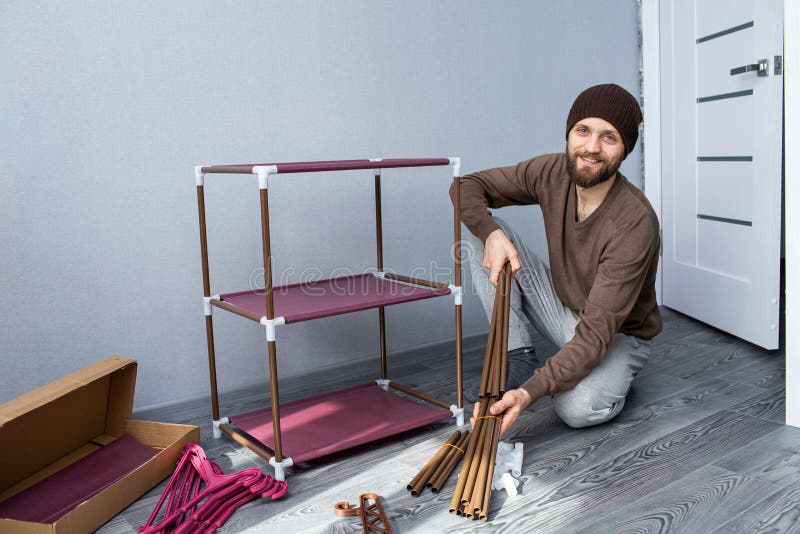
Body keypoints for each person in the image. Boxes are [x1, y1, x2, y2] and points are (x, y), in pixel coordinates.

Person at [451, 83, 662, 437]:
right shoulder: (552, 172)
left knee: (575, 409)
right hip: (564, 310)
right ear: (569, 134)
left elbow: (595, 333)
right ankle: (517, 358)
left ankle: (617, 378)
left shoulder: (635, 222)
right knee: (479, 232)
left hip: (615, 334)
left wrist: (528, 394)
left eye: (609, 137)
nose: (591, 148)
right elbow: (465, 186)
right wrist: (491, 233)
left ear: (625, 148)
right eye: (583, 131)